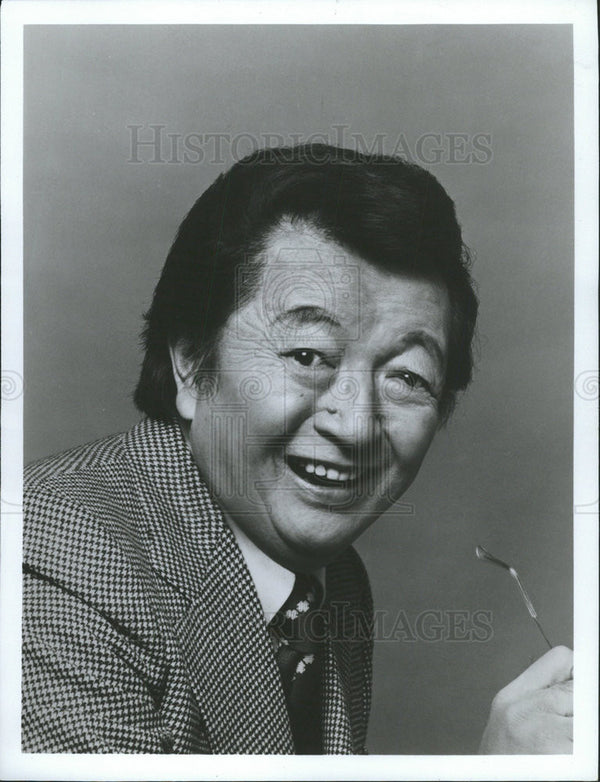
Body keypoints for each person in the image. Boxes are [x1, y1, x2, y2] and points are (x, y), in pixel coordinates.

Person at [22, 144, 572, 754]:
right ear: (188, 363)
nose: (356, 425)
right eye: (307, 356)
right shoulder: (49, 552)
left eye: (408, 377)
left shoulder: (331, 583)